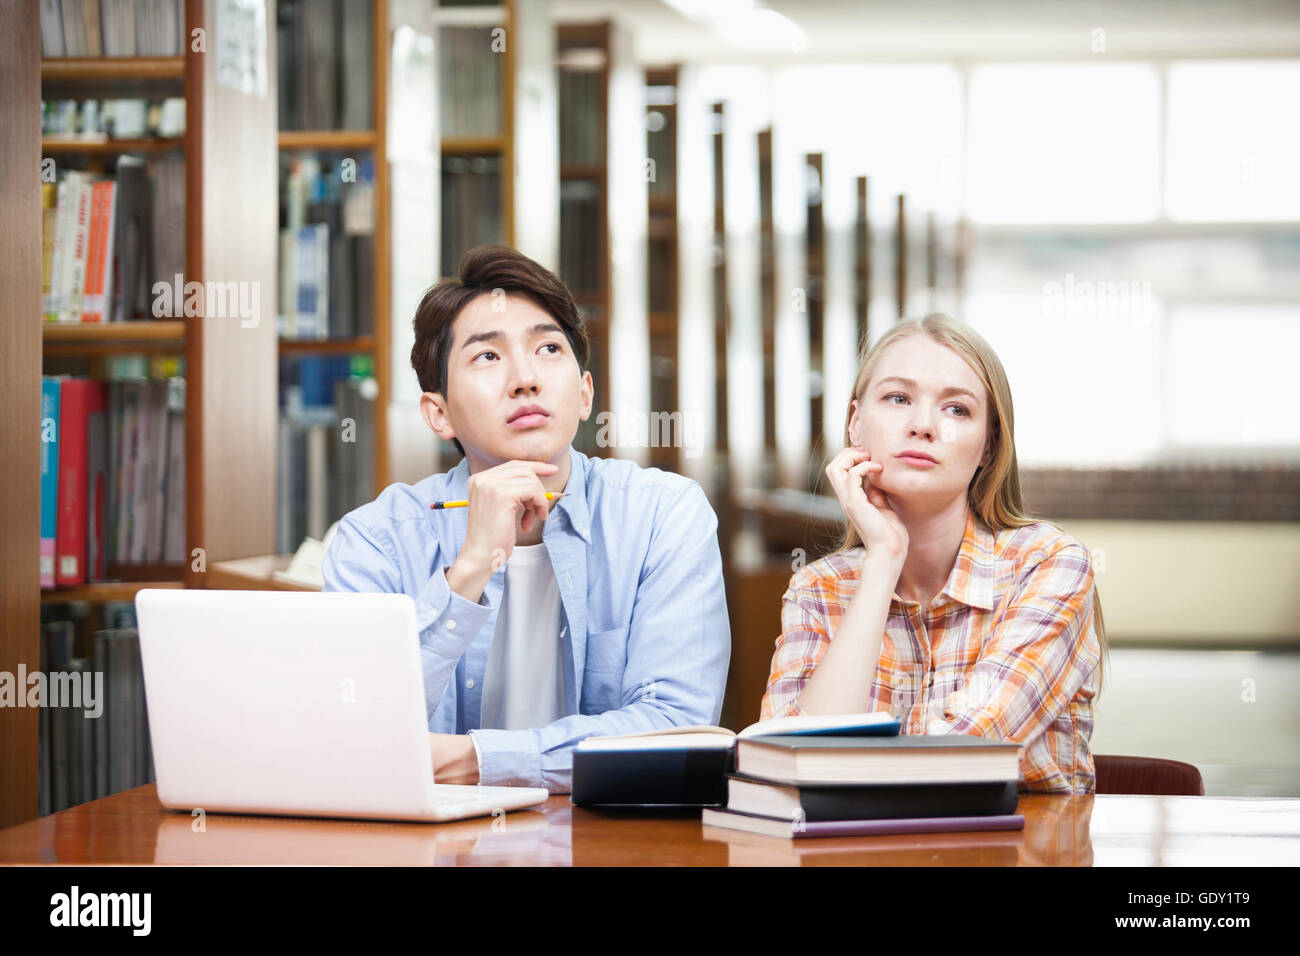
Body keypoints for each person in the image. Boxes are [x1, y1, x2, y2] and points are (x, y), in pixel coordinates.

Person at [323, 244, 730, 793]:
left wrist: (473, 759)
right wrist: (467, 572)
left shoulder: (663, 515)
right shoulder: (375, 542)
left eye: (547, 348)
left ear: (585, 394)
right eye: (487, 357)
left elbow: (677, 728)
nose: (526, 379)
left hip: (604, 842)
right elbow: (355, 730)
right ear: (438, 413)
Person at [759, 312, 1108, 793]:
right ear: (856, 425)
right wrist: (883, 559)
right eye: (898, 398)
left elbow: (962, 758)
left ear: (988, 445)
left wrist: (839, 768)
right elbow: (787, 770)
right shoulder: (817, 587)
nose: (923, 425)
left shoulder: (1049, 564)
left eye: (957, 410)